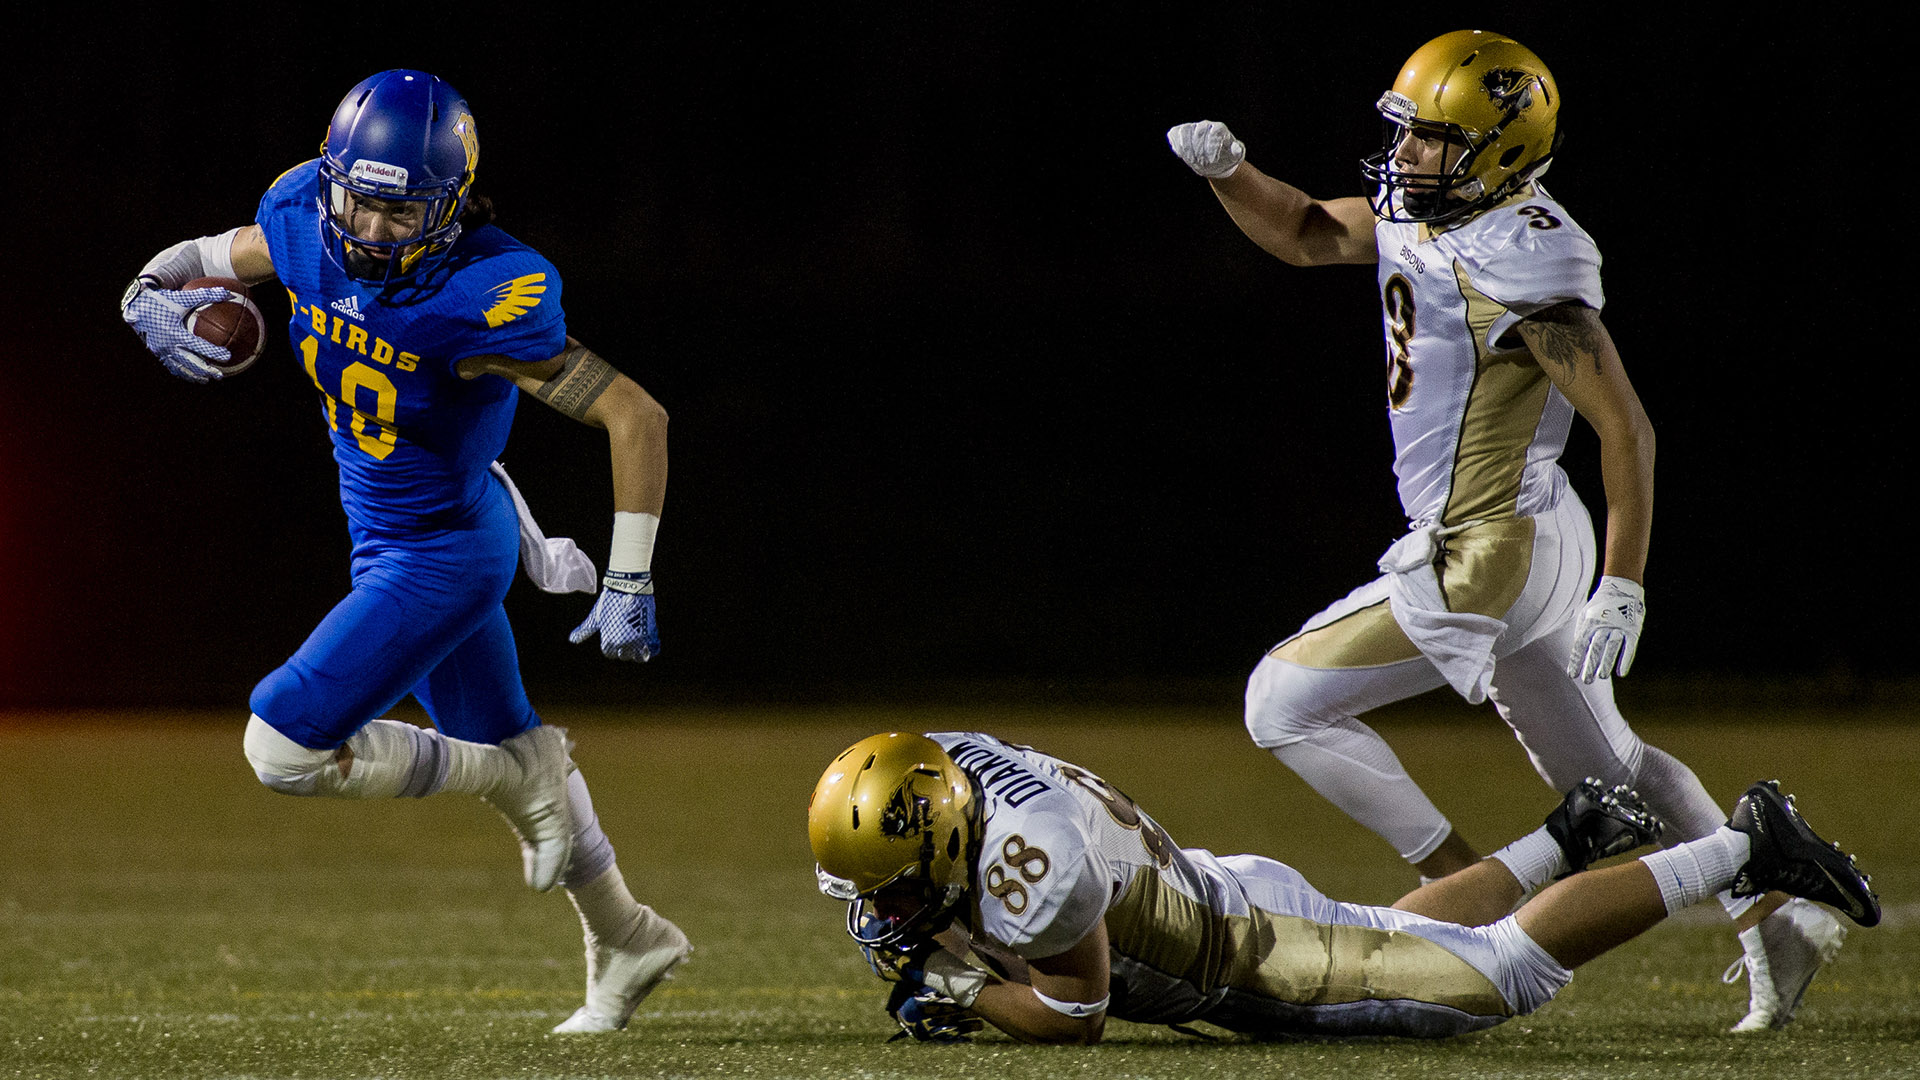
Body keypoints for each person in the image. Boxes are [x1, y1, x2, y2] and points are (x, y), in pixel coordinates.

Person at [1164, 30, 1838, 1031]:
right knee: (1616, 775)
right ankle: (1773, 907)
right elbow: (1306, 232)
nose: (1408, 157)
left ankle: (1457, 881)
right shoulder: (1427, 214)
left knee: (1282, 702)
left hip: (1488, 552)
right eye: (1408, 134)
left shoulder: (1522, 259)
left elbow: (1627, 429)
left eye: (1436, 142)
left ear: (1503, 152)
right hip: (1525, 532)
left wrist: (1627, 581)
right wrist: (1230, 174)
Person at [118, 69, 688, 1034]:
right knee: (507, 739)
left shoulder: (478, 296)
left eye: (401, 212)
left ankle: (521, 777)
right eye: (358, 201)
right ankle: (629, 936)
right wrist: (147, 290)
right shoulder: (307, 221)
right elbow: (224, 253)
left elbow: (636, 413)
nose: (370, 229)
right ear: (332, 180)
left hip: (449, 551)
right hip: (382, 538)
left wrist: (631, 575)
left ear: (451, 208)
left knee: (282, 748)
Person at [807, 731, 1878, 1044]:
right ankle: (1568, 836)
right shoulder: (952, 766)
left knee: (1500, 979)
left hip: (1247, 955)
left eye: (900, 886)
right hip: (1222, 895)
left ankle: (1745, 849)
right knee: (1383, 939)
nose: (888, 906)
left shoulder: (1026, 868)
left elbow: (1074, 1012)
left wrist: (957, 991)